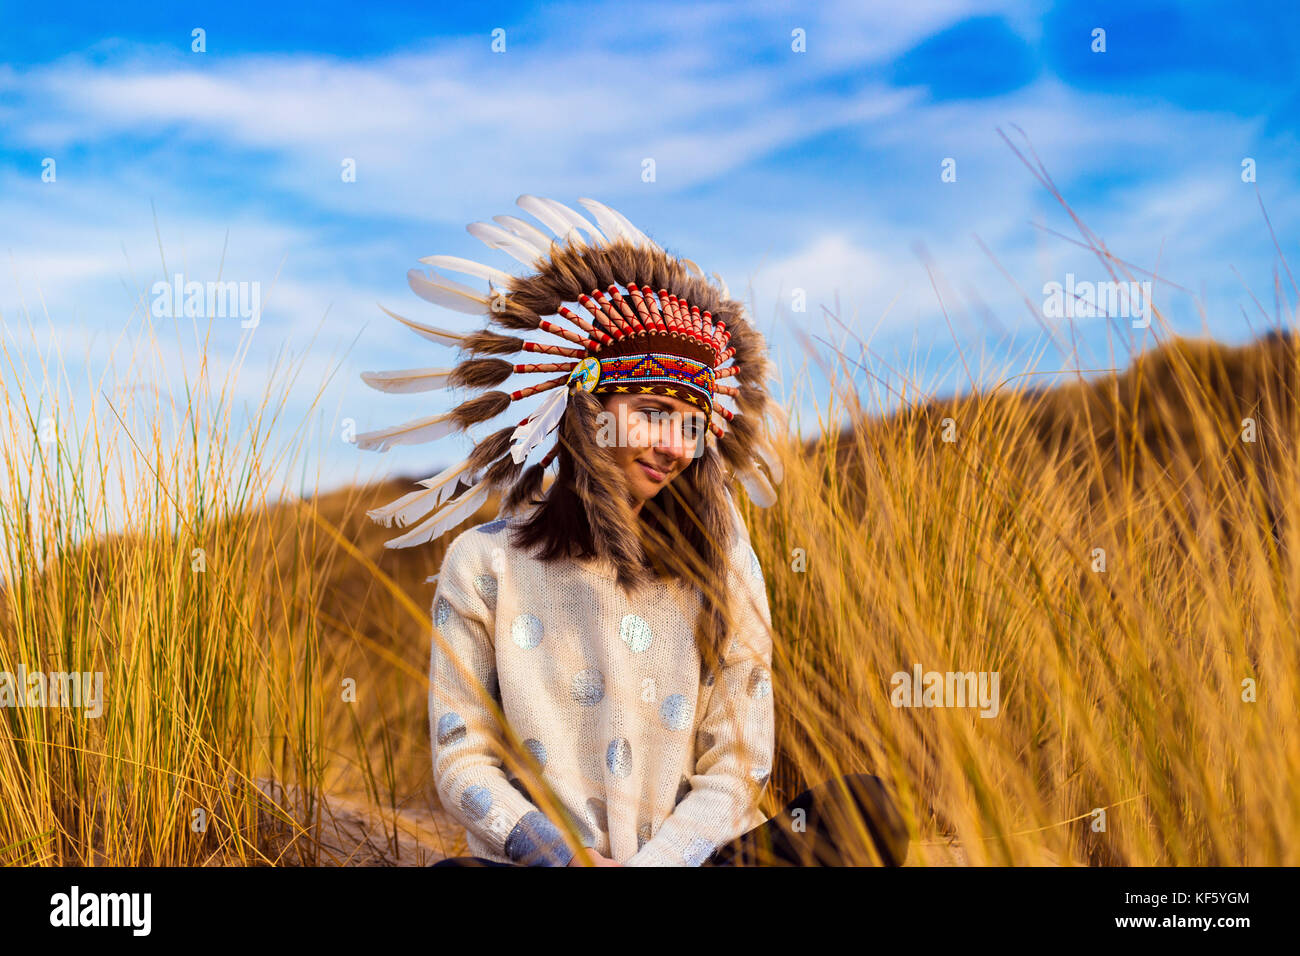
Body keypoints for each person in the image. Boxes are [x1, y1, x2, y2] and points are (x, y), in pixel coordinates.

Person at [358, 194, 909, 867]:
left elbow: (739, 760)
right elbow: (460, 755)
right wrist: (562, 858)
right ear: (592, 408)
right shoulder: (484, 561)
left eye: (690, 426)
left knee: (866, 809)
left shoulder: (722, 562)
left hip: (683, 863)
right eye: (650, 412)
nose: (673, 445)